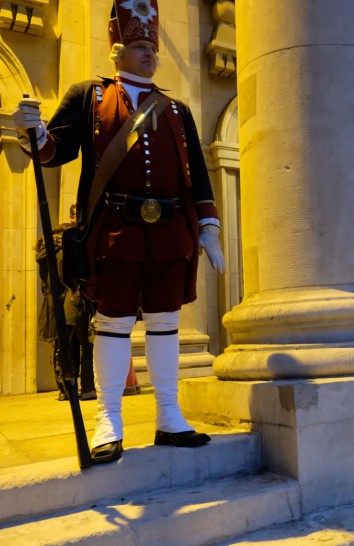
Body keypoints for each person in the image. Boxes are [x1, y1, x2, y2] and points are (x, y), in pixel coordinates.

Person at [13, 0, 225, 464]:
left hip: (170, 230)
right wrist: (36, 133)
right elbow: (55, 152)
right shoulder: (89, 96)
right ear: (117, 50)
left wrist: (208, 223)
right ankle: (108, 419)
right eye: (138, 44)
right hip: (116, 230)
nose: (148, 52)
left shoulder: (177, 109)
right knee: (113, 323)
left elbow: (198, 176)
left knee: (166, 321)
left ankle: (170, 416)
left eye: (151, 44)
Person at [35, 205, 96, 401]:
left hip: (60, 300)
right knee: (80, 345)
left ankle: (67, 389)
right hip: (74, 298)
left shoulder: (48, 246)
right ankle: (83, 388)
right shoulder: (73, 242)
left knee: (65, 345)